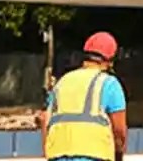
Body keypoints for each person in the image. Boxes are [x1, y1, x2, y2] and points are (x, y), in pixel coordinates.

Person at [41, 32, 128, 161]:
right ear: (110, 61)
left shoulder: (62, 82)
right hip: (95, 156)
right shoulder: (109, 84)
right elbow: (120, 132)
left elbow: (45, 119)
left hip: (58, 156)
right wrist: (118, 156)